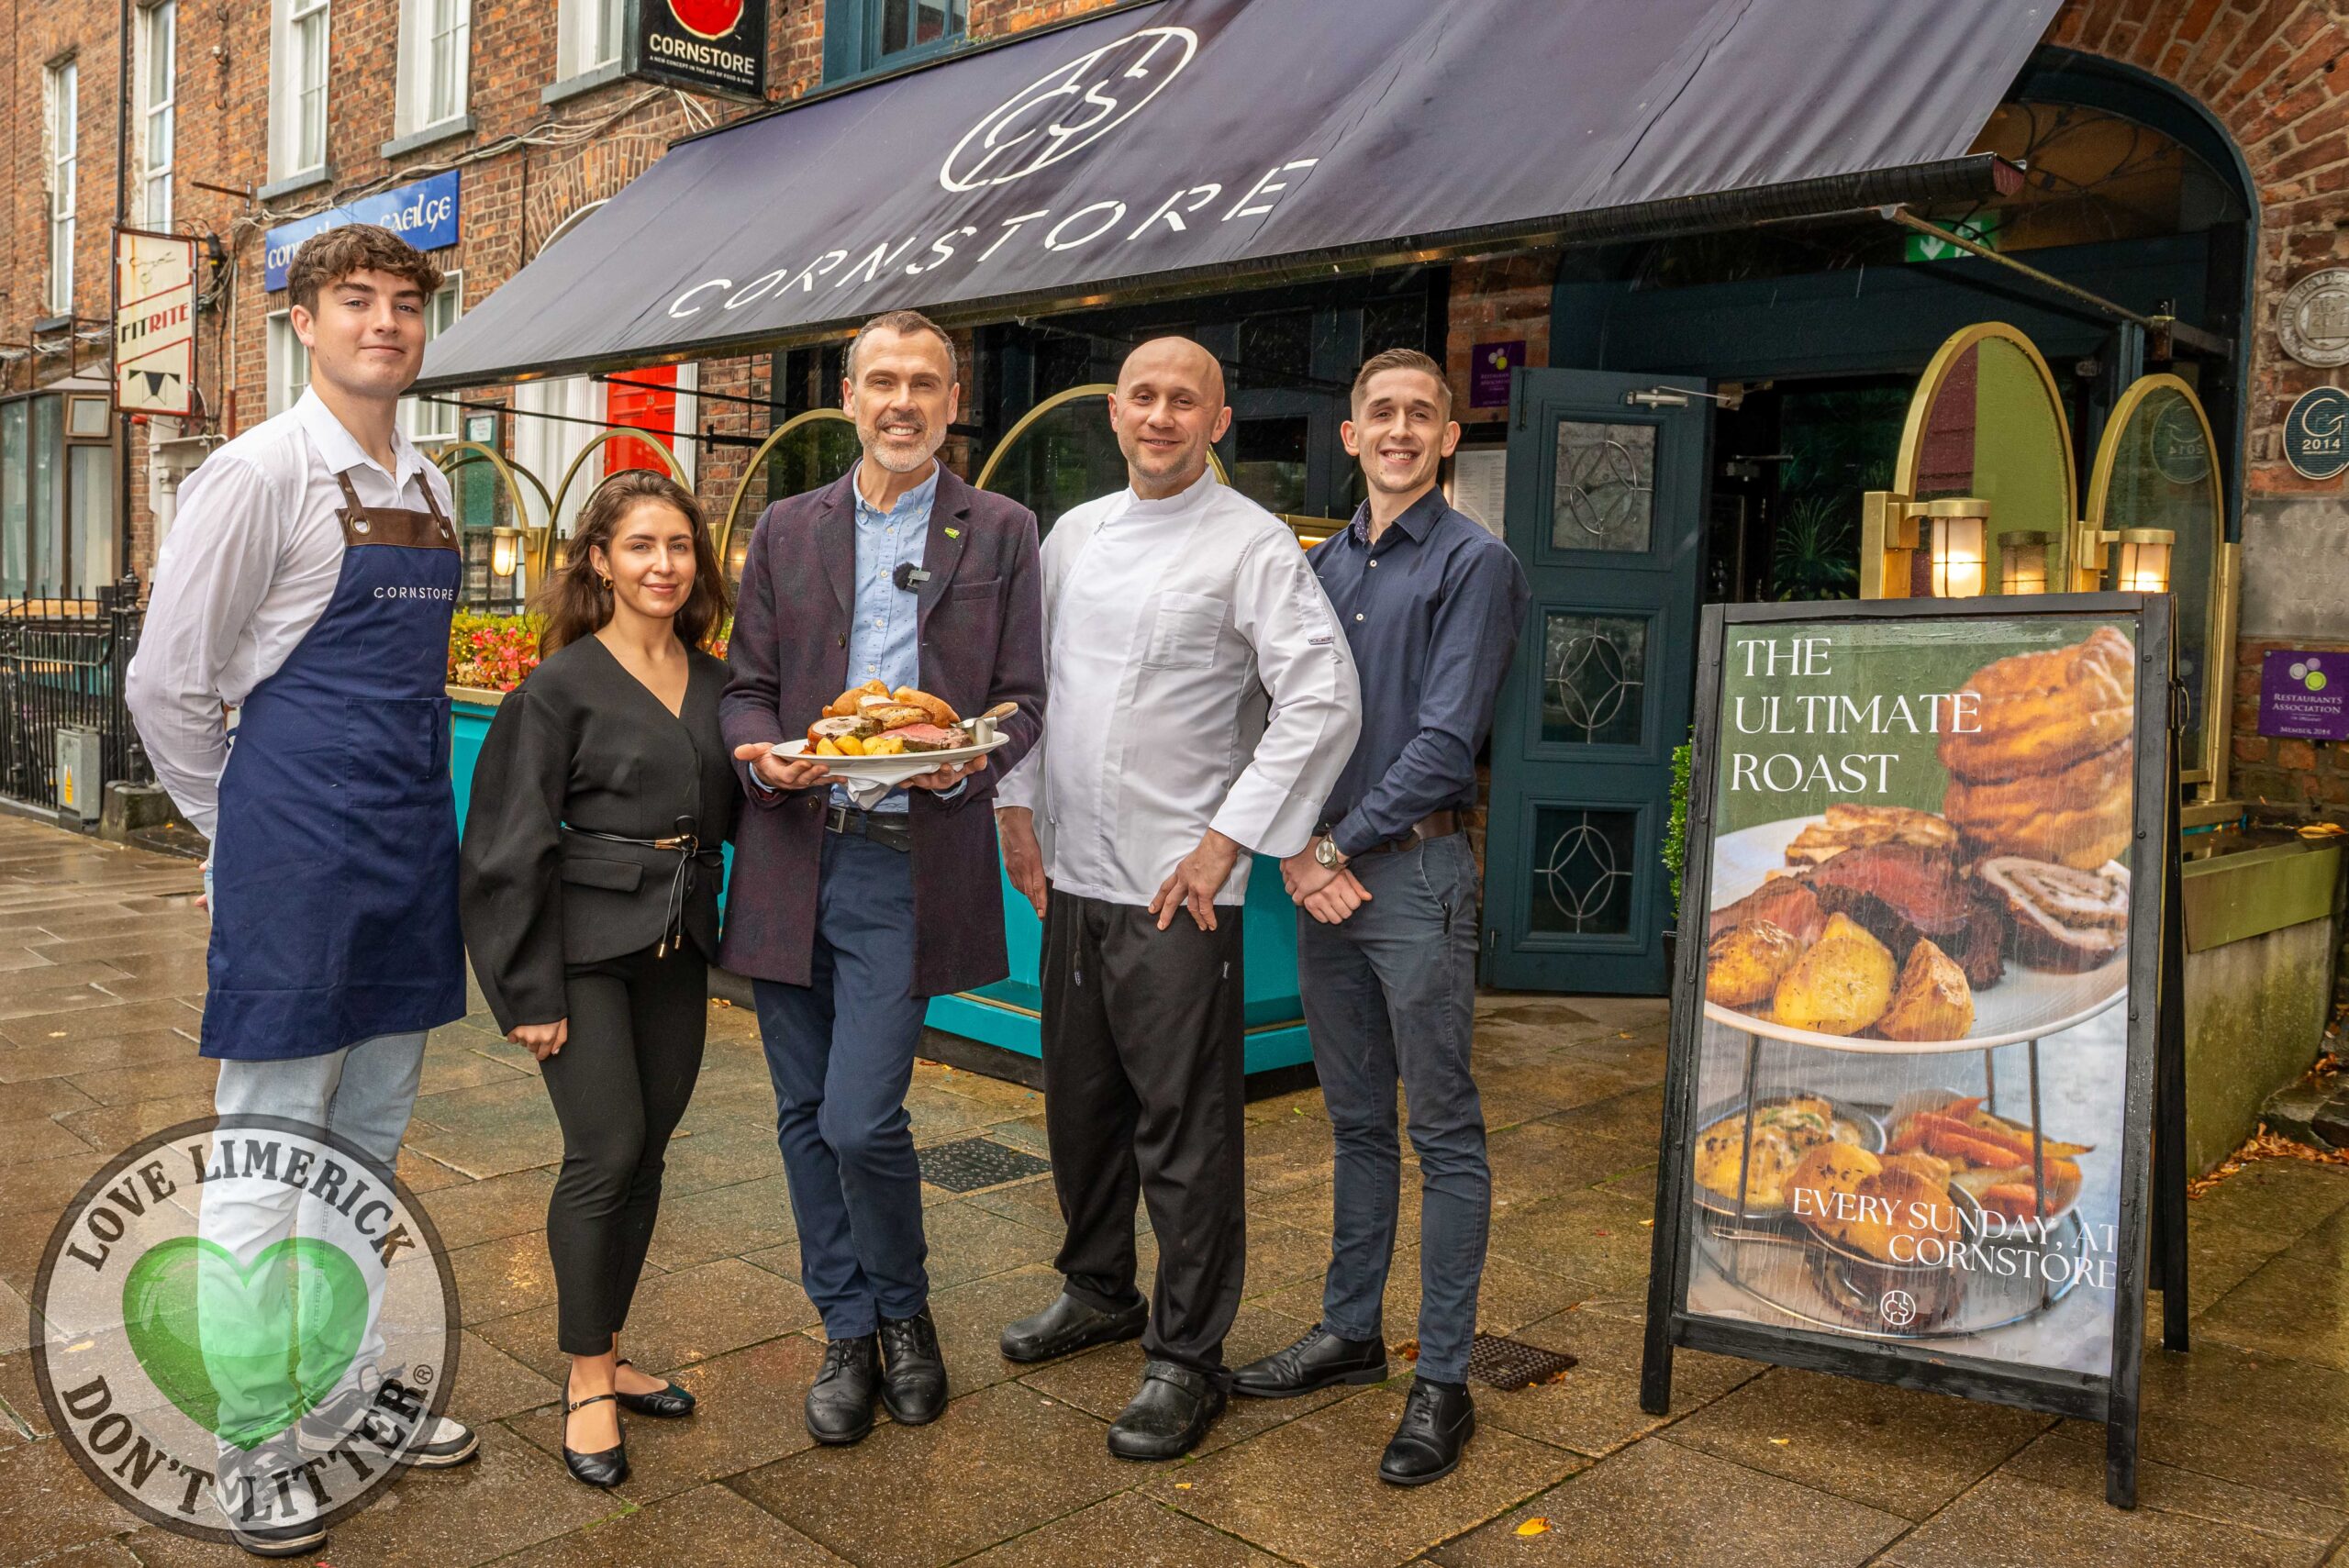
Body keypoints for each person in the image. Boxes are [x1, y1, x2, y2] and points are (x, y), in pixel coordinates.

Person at [124, 223, 478, 1558]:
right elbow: (166, 683)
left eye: (404, 303)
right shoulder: (260, 471)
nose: (384, 322)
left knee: (369, 1141)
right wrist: (240, 837)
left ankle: (341, 1389)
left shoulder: (430, 481)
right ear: (304, 323)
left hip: (405, 847)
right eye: (356, 300)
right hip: (294, 850)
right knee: (269, 1149)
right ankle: (251, 1437)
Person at [995, 337, 1362, 1461]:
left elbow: (1321, 696)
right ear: (1115, 412)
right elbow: (1028, 687)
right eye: (1143, 397)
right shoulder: (1072, 534)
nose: (1160, 416)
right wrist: (1014, 807)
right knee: (1079, 1105)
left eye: (1183, 401)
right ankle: (1097, 1285)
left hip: (1177, 888)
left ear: (1217, 421)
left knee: (1185, 1131)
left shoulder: (1251, 543)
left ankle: (1186, 1353)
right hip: (1072, 869)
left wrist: (1225, 840)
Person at [721, 309, 1045, 1446]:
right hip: (789, 851)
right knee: (802, 1114)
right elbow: (744, 686)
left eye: (924, 383)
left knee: (860, 1118)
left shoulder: (1000, 528)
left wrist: (969, 760)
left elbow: (1024, 696)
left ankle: (905, 1311)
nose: (901, 401)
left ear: (953, 402)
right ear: (849, 398)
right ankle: (847, 1327)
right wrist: (760, 754)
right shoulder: (786, 527)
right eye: (882, 381)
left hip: (907, 857)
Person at [1230, 349, 1529, 1485]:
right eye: (1380, 413)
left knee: (1441, 1131)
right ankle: (1350, 1330)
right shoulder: (1313, 566)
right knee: (1354, 1121)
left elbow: (1446, 743)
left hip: (1412, 875)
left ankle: (1443, 1378)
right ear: (1350, 435)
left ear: (1448, 437)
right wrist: (1299, 851)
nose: (1400, 430)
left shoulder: (1475, 563)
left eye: (1421, 414)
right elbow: (1280, 716)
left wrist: (1327, 846)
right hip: (1325, 879)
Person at [458, 472, 736, 1488]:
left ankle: (610, 1347)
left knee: (647, 1154)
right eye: (641, 546)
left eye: (679, 545)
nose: (664, 564)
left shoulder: (721, 684)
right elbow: (505, 846)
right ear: (599, 562)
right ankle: (584, 1379)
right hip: (581, 948)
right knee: (605, 1148)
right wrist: (525, 991)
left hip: (678, 943)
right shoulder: (559, 687)